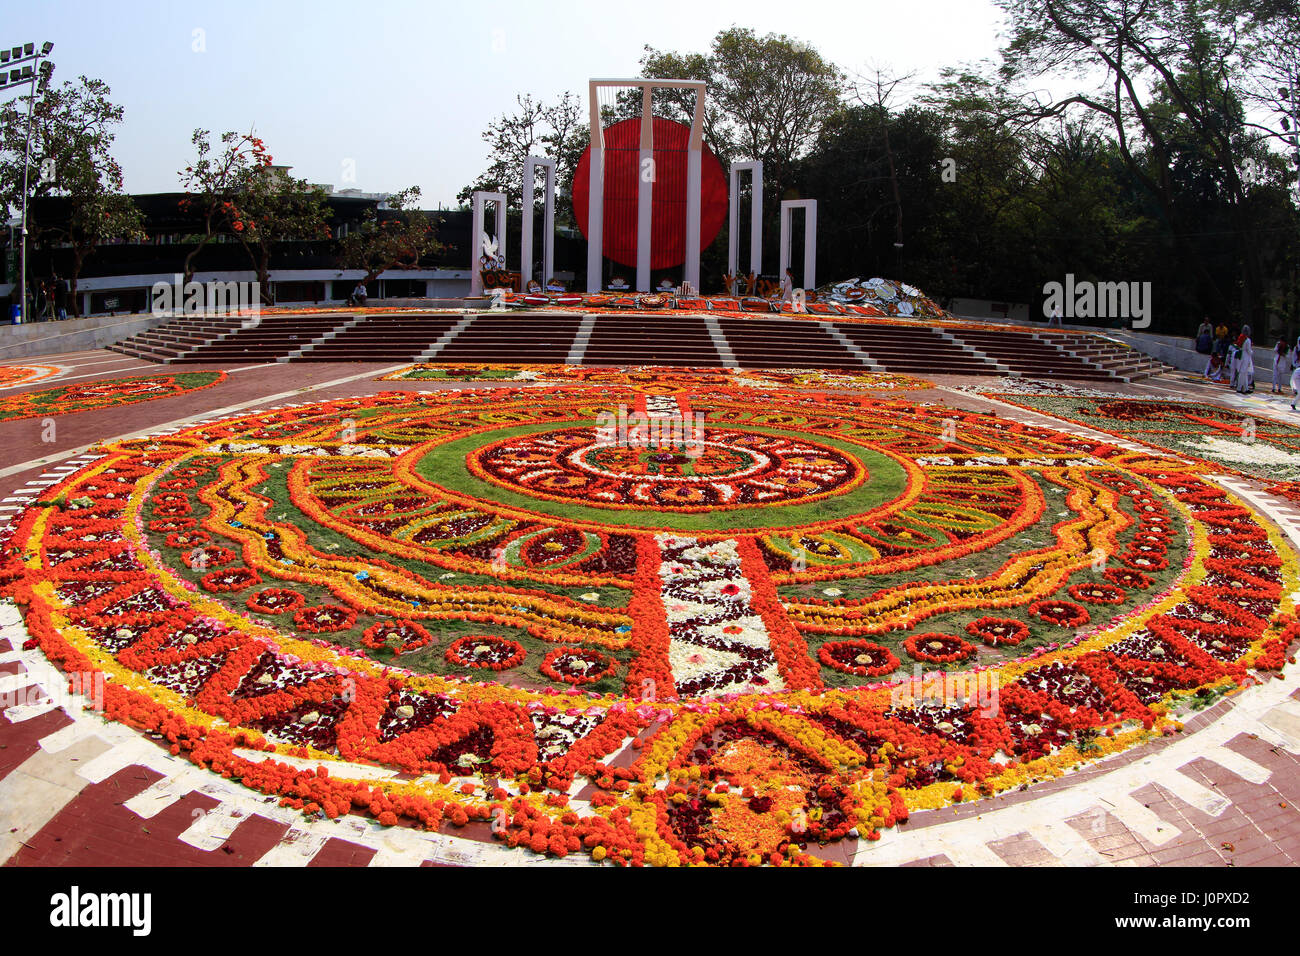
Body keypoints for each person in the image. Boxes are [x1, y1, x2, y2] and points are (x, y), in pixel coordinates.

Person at [1233, 325, 1254, 394]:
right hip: (1245, 356)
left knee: (1244, 373)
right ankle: (1239, 388)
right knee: (1243, 373)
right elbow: (1248, 350)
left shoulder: (1241, 337)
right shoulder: (1248, 340)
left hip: (1241, 356)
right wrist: (1252, 352)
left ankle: (1246, 388)